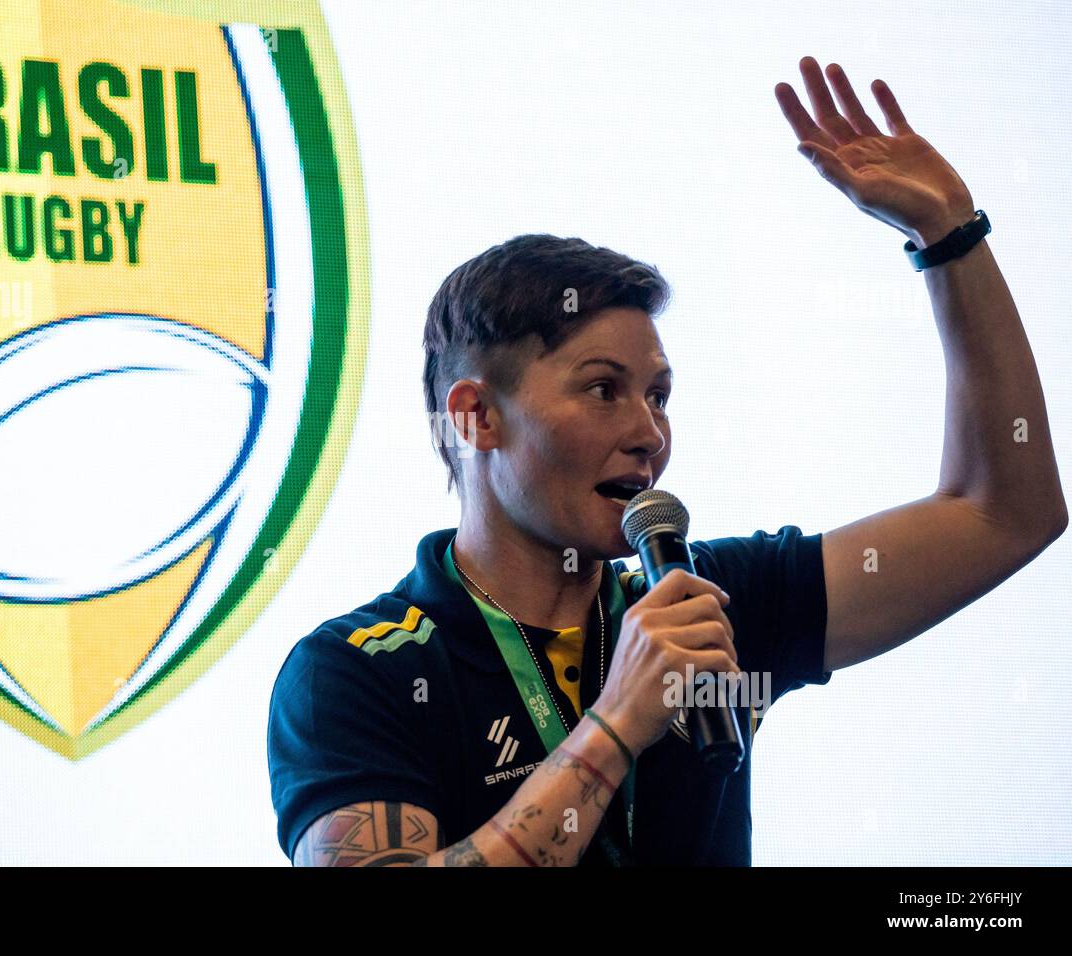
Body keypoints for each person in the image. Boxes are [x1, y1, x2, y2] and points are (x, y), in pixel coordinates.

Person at [266, 56, 1066, 866]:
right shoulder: (360, 668)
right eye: (604, 389)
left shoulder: (712, 606)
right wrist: (615, 725)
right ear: (476, 417)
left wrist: (950, 236)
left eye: (660, 394)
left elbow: (1004, 512)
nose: (650, 432)